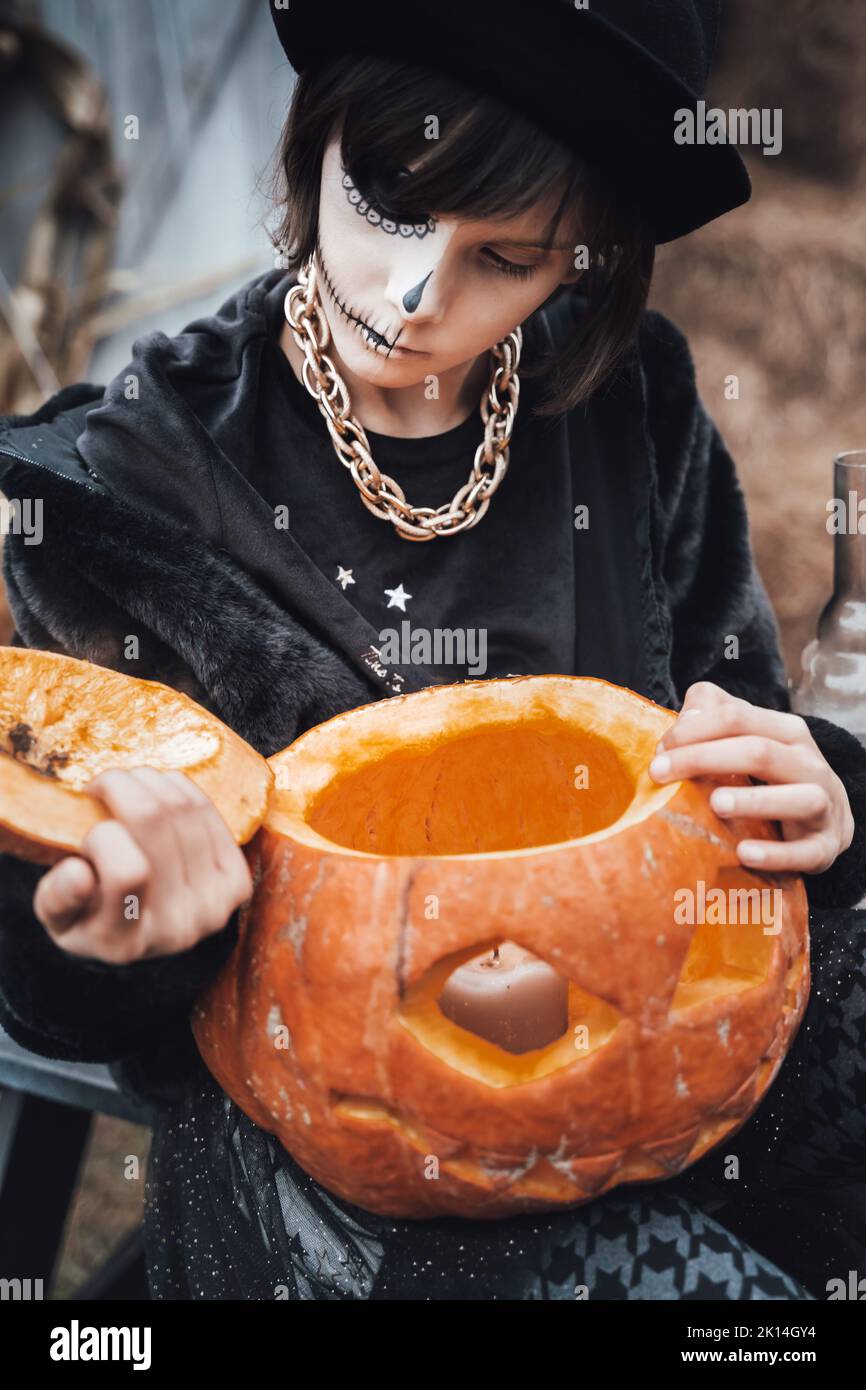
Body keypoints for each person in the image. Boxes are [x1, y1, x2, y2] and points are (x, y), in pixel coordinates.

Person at [1, 0, 865, 1300]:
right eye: (391, 204)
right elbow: (42, 969)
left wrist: (827, 792)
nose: (411, 298)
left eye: (503, 257)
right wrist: (116, 933)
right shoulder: (119, 480)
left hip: (647, 1039)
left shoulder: (633, 400)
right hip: (313, 1140)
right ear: (318, 140)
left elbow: (730, 740)